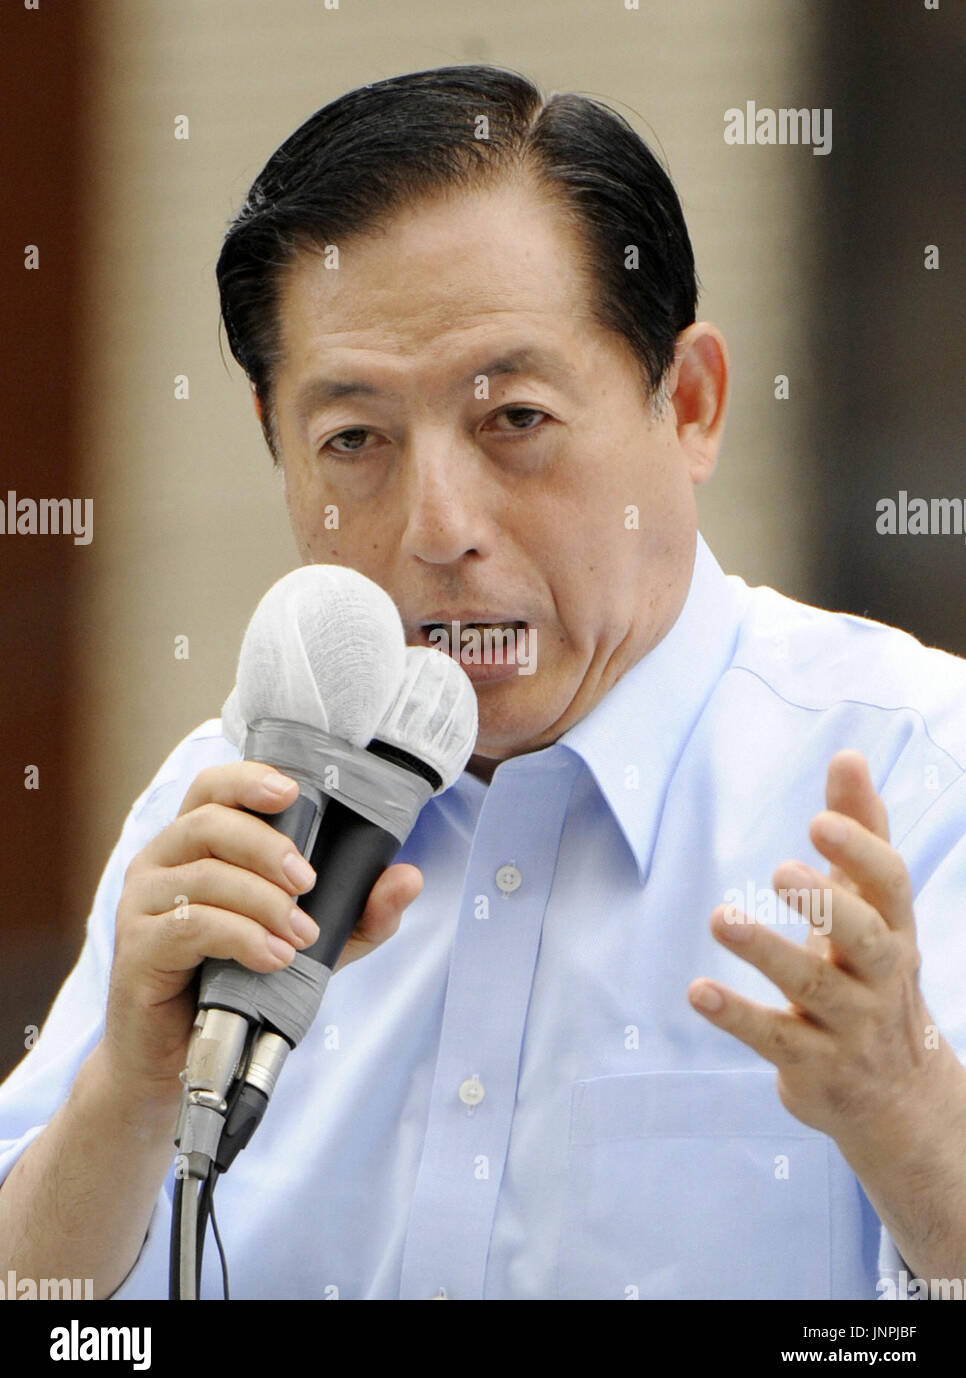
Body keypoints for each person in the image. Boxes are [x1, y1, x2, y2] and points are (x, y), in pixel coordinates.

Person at [1, 63, 965, 1302]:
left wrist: (909, 1110)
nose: (437, 527)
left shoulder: (917, 782)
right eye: (355, 440)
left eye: (513, 418)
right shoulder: (231, 805)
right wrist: (130, 1093)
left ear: (693, 405)